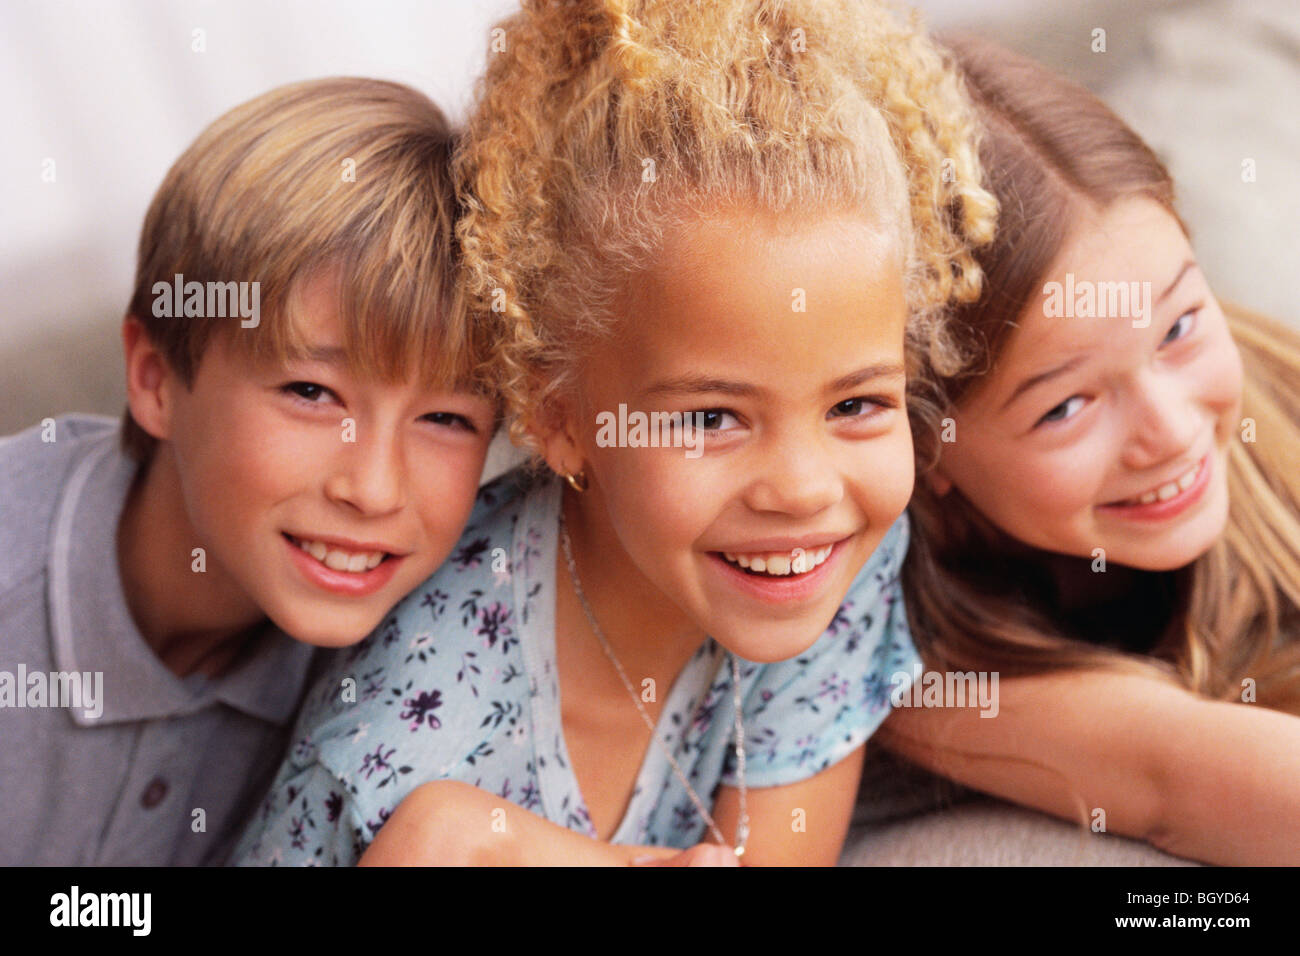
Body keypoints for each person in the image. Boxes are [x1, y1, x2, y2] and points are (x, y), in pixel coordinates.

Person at [234, 0, 997, 866]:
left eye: (856, 405)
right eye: (712, 418)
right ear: (555, 417)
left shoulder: (830, 560)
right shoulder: (415, 724)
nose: (805, 488)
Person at [0, 77, 498, 864]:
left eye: (446, 419)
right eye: (310, 392)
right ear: (157, 381)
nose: (372, 489)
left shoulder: (425, 645)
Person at [877, 36, 1300, 866]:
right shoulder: (907, 654)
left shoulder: (1269, 385)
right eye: (1066, 406)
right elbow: (1175, 778)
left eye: (1178, 325)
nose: (1173, 429)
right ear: (925, 449)